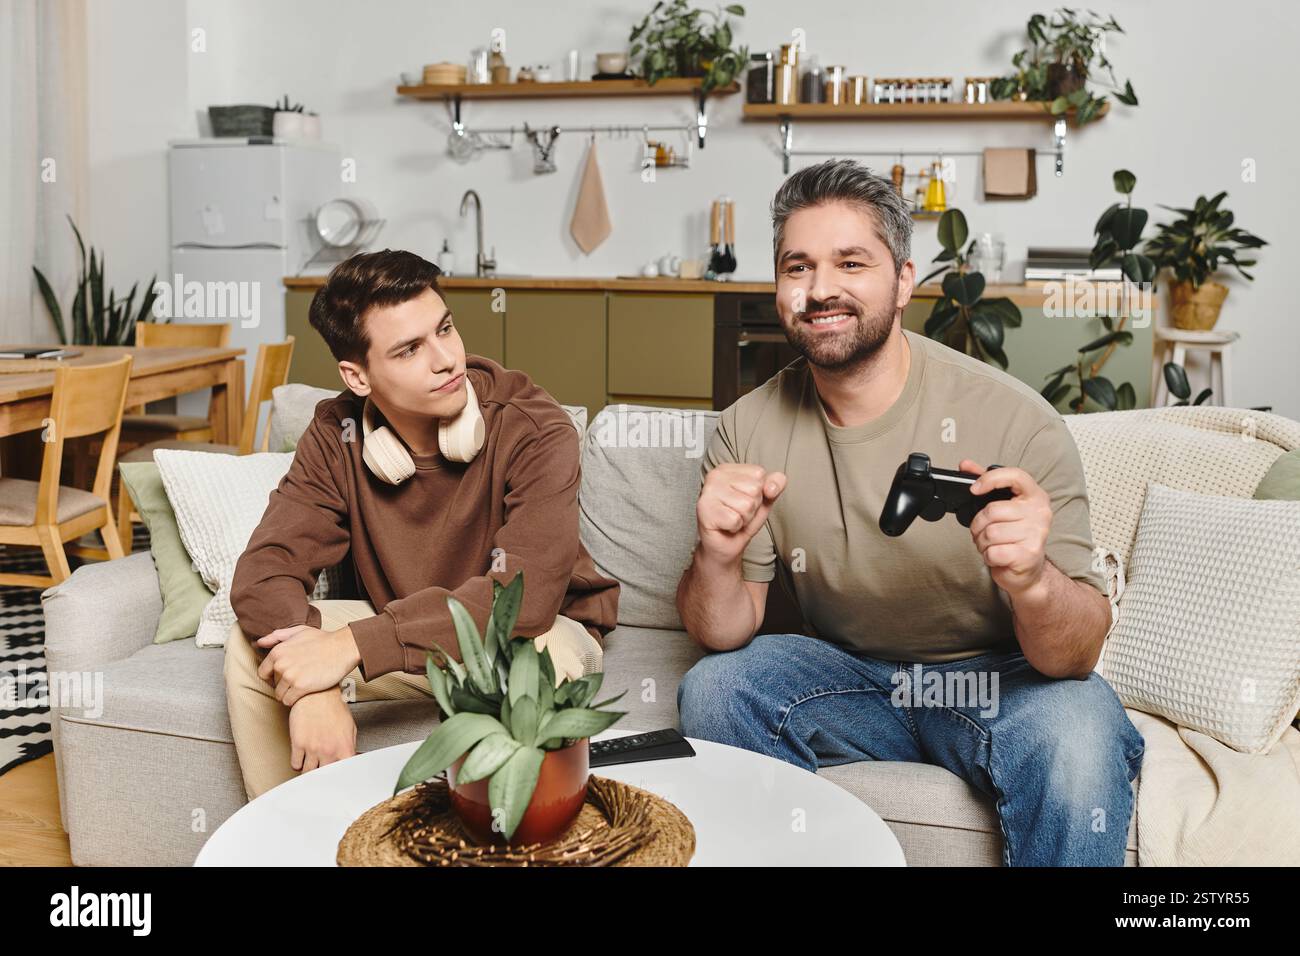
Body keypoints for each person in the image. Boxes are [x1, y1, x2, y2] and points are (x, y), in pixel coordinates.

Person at [674, 159, 1144, 866]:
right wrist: (715, 552)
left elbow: (1074, 654)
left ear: (902, 282)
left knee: (1080, 737)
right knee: (715, 688)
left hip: (1002, 681)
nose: (820, 289)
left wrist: (1034, 582)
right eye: (796, 267)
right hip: (849, 678)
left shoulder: (1015, 421)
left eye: (850, 263)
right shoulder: (748, 428)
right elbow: (724, 630)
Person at [224, 249, 619, 799]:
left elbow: (522, 599)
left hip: (533, 633)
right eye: (410, 349)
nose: (447, 359)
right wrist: (312, 689)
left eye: (446, 329)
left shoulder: (535, 425)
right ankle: (298, 844)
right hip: (415, 634)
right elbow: (265, 572)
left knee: (540, 660)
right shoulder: (336, 435)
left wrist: (348, 649)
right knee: (253, 650)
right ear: (356, 376)